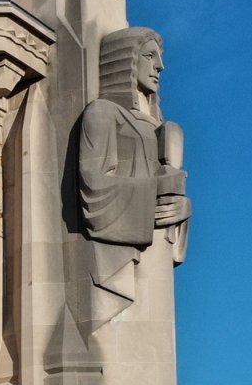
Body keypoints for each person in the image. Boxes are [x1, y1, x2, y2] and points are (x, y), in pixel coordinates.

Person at [77, 26, 192, 327]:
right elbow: (93, 183)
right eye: (150, 56)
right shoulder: (104, 112)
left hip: (157, 251)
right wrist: (151, 194)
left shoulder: (156, 124)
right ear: (126, 61)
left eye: (160, 58)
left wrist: (182, 210)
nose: (160, 67)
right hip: (123, 247)